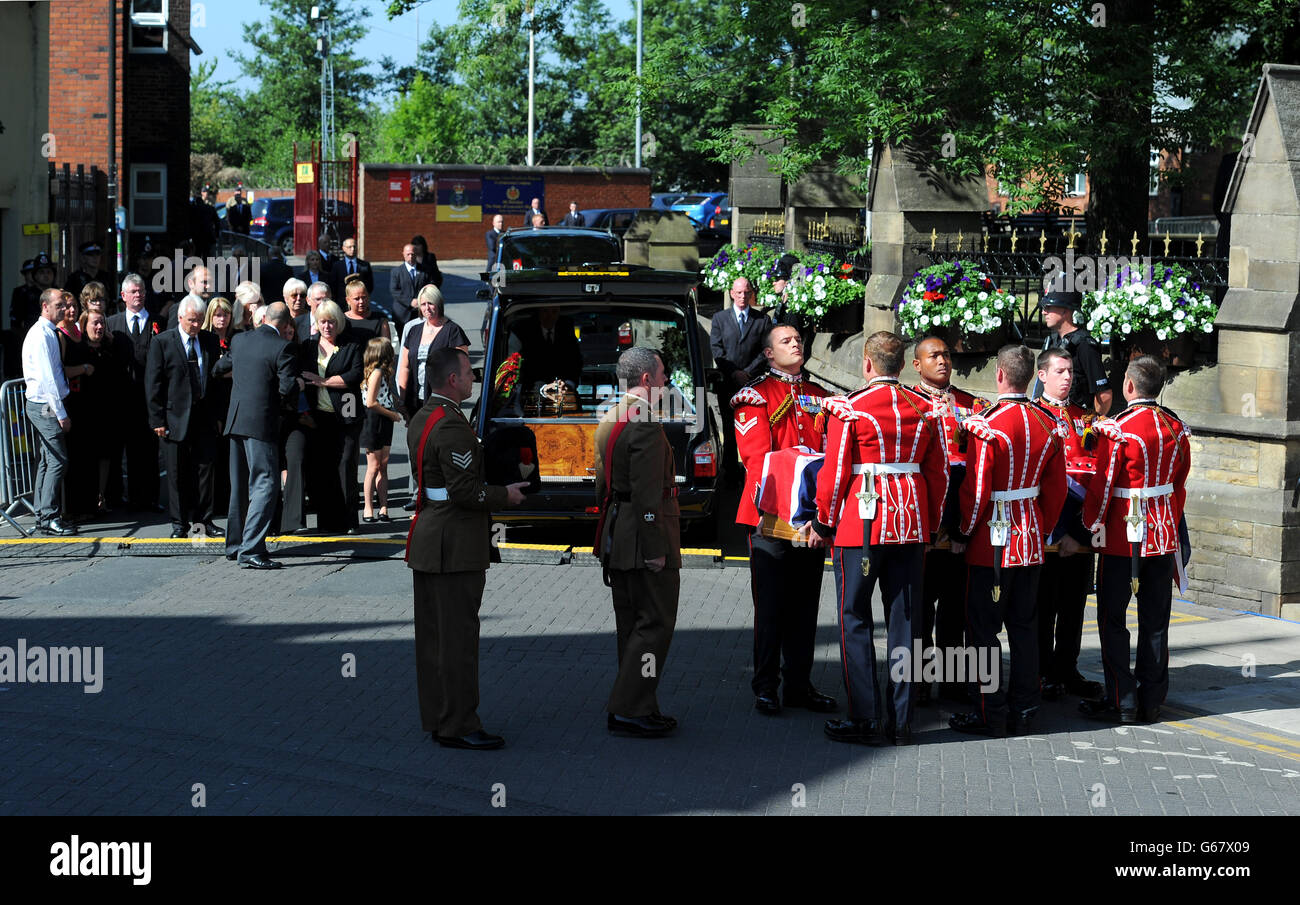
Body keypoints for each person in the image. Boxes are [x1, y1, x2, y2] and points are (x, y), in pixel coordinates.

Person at [811, 332, 947, 746]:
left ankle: (866, 718)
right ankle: (902, 721)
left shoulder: (851, 409)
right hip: (909, 527)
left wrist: (823, 520)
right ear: (903, 365)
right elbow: (937, 475)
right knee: (905, 623)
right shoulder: (925, 409)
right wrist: (931, 526)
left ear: (867, 364)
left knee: (854, 619)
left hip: (861, 528)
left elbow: (835, 474)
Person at [406, 346, 527, 749]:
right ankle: (459, 723)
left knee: (435, 641)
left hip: (430, 540)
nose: (474, 378)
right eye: (468, 372)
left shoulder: (425, 417)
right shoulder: (451, 425)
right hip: (453, 545)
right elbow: (464, 492)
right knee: (457, 641)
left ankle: (441, 719)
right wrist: (503, 495)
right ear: (452, 380)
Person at [948, 345, 1068, 738]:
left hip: (991, 543)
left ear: (1000, 375)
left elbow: (978, 489)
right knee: (1024, 628)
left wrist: (964, 531)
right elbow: (1055, 489)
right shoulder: (1047, 422)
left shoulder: (988, 423)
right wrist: (1040, 527)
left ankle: (989, 710)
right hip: (1029, 538)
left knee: (982, 630)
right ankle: (1026, 708)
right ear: (1030, 375)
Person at [730, 324, 837, 716]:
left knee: (806, 607)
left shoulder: (820, 396)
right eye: (786, 341)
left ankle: (798, 684)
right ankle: (765, 685)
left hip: (811, 519)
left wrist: (821, 513)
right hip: (770, 516)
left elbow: (830, 457)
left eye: (798, 339)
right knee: (772, 607)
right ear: (770, 354)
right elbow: (757, 462)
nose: (796, 344)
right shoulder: (756, 396)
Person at [1079, 355, 1191, 725]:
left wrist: (1090, 524)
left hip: (1122, 538)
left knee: (1113, 619)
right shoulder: (1175, 427)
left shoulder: (1119, 428)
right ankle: (1152, 700)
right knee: (1155, 621)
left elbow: (1104, 483)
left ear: (1129, 386)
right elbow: (1179, 484)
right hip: (1161, 533)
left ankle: (1122, 699)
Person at [594, 346, 681, 738]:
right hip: (642, 538)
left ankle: (638, 702)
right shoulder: (645, 422)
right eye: (662, 374)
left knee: (631, 625)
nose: (665, 381)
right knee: (655, 623)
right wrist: (656, 549)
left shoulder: (610, 416)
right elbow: (648, 497)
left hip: (618, 532)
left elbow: (602, 485)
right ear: (646, 379)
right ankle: (630, 706)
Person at [908, 335, 991, 704]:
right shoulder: (908, 403)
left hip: (961, 526)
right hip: (922, 525)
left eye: (946, 354)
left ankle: (954, 682)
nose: (943, 361)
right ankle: (920, 683)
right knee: (919, 611)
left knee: (955, 610)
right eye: (934, 356)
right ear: (917, 364)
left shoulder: (975, 405)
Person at [1032, 348, 1105, 702]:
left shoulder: (1085, 418)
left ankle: (1067, 669)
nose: (1067, 377)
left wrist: (1079, 535)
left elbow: (1095, 479)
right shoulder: (1033, 415)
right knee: (1042, 608)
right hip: (1045, 532)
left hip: (1079, 533)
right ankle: (1042, 670)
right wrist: (1055, 532)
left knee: (1074, 607)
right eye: (1059, 371)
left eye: (1070, 371)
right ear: (1042, 375)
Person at [218, 302, 298, 569]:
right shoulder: (282, 347)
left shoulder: (240, 340)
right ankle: (251, 549)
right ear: (286, 324)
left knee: (239, 486)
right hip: (261, 424)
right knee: (265, 484)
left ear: (262, 318)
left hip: (235, 421)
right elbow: (287, 389)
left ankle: (235, 544)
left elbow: (219, 368)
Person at [146, 295, 223, 539]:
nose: (196, 325)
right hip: (173, 417)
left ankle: (204, 521)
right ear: (180, 318)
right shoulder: (162, 342)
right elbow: (153, 383)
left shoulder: (209, 340)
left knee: (205, 471)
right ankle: (179, 524)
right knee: (177, 472)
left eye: (200, 320)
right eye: (191, 320)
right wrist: (157, 420)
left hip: (203, 415)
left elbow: (214, 379)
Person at [298, 301, 363, 534]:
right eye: (323, 321)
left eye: (331, 322)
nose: (327, 326)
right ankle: (328, 521)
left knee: (346, 465)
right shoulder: (308, 346)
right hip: (319, 417)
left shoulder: (352, 345)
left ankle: (349, 521)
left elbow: (354, 376)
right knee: (322, 468)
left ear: (339, 323)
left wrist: (321, 381)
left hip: (347, 414)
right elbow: (300, 375)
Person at [106, 274, 162, 511]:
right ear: (123, 296)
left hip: (148, 400)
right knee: (118, 451)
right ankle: (116, 498)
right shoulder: (111, 323)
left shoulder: (158, 322)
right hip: (120, 400)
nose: (138, 295)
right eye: (133, 292)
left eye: (141, 291)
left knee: (147, 451)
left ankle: (147, 499)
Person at [22, 289, 76, 535]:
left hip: (45, 403)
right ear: (45, 306)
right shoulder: (41, 335)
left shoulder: (48, 332)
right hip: (45, 405)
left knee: (47, 459)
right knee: (57, 459)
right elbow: (48, 379)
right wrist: (61, 413)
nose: (64, 309)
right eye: (59, 305)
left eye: (65, 305)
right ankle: (49, 516)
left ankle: (43, 514)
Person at [710, 277, 772, 483]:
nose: (743, 296)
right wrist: (734, 372)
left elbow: (766, 350)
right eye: (738, 292)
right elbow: (717, 351)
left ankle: (753, 471)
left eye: (746, 292)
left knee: (754, 427)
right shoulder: (719, 319)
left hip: (753, 383)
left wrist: (747, 372)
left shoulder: (762, 320)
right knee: (728, 428)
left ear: (751, 293)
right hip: (728, 382)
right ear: (731, 293)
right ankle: (730, 472)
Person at [73, 309, 125, 516]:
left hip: (107, 411)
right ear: (84, 326)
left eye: (102, 323)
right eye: (95, 323)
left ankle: (101, 496)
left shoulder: (109, 349)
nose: (100, 327)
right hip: (85, 412)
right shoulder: (79, 350)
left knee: (106, 456)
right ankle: (85, 500)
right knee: (86, 458)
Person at [1032, 290, 1112, 415]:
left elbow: (1104, 395)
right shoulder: (1052, 341)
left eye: (1049, 307)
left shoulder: (1084, 344)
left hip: (1074, 424)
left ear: (1065, 310)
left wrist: (1090, 427)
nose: (1043, 312)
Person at [398, 285, 471, 417]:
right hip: (415, 401)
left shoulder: (453, 331)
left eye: (430, 303)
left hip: (442, 401)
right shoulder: (414, 331)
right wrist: (402, 399)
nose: (427, 308)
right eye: (423, 304)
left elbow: (463, 369)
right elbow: (404, 367)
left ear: (438, 303)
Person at [204, 297, 239, 517]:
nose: (222, 318)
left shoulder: (237, 338)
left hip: (232, 400)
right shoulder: (205, 338)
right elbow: (208, 371)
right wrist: (225, 372)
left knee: (230, 454)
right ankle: (211, 503)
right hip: (210, 401)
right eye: (217, 314)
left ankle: (229, 501)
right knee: (211, 456)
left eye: (225, 314)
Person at [361, 337, 402, 523]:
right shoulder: (376, 373)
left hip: (384, 419)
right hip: (374, 420)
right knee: (373, 467)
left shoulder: (384, 373)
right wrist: (392, 415)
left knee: (383, 465)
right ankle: (368, 508)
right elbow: (371, 403)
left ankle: (384, 507)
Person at [508, 306, 582, 392]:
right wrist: (541, 387)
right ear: (538, 311)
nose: (550, 317)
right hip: (529, 392)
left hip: (562, 389)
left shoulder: (566, 326)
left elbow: (575, 360)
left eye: (554, 312)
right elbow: (513, 367)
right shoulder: (521, 330)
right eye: (545, 311)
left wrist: (568, 383)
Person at [389, 243, 433, 330]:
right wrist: (410, 301)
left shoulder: (425, 270)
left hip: (420, 313)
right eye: (408, 254)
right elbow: (394, 290)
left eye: (412, 254)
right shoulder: (396, 271)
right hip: (401, 314)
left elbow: (429, 287)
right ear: (403, 254)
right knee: (403, 340)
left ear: (416, 254)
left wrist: (420, 300)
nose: (410, 256)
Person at [341, 278, 391, 344]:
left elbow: (386, 348)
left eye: (364, 297)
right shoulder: (341, 320)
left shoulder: (380, 319)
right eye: (357, 299)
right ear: (348, 300)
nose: (361, 301)